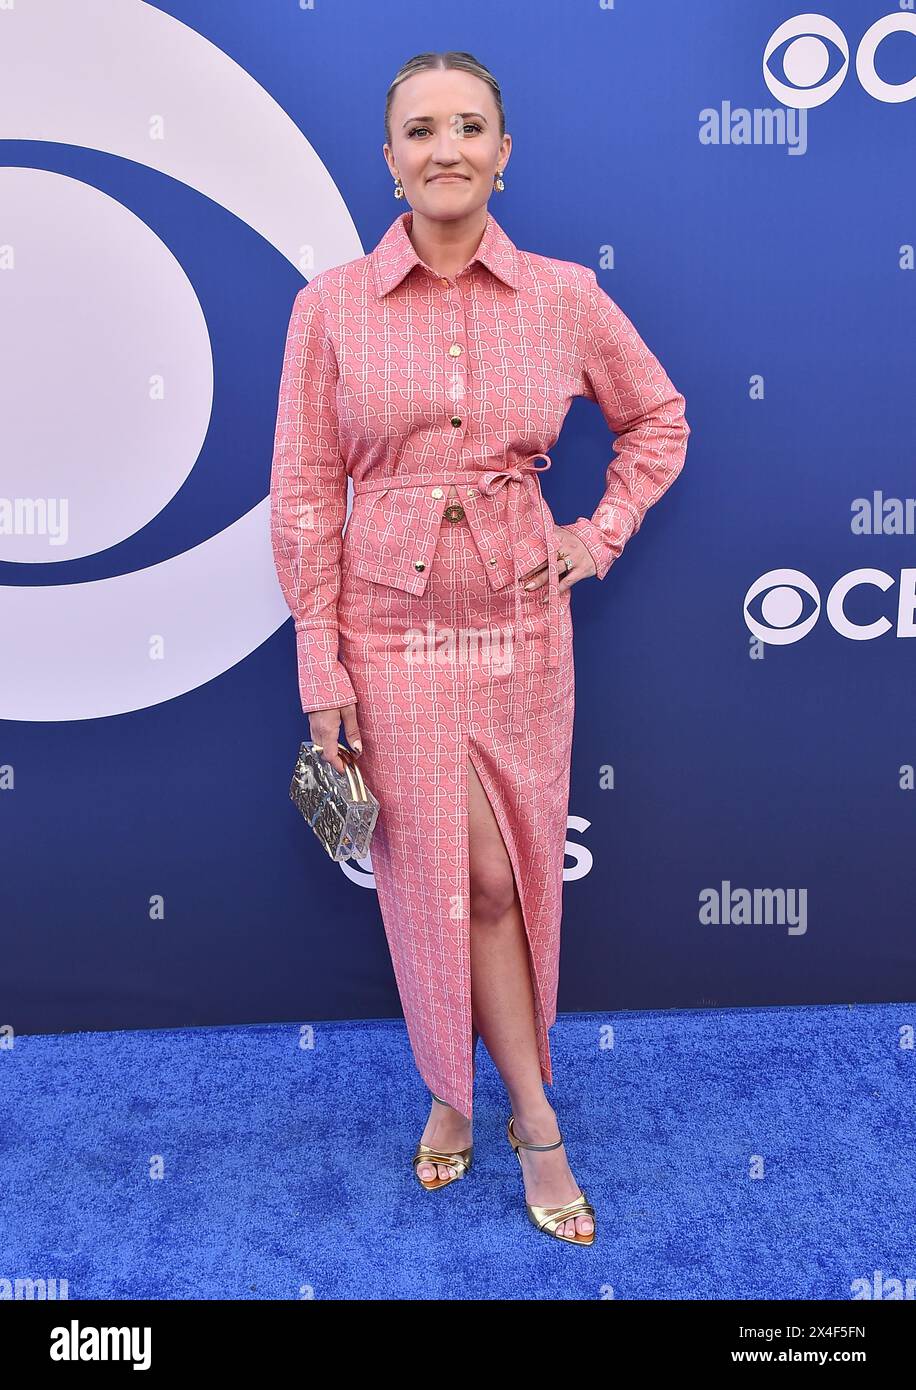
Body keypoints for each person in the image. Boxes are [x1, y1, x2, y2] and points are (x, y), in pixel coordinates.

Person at [270, 50, 690, 1246]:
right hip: (384, 633)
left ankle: (469, 1095)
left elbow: (657, 418)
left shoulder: (561, 296)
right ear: (387, 157)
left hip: (517, 626)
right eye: (419, 129)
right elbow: (302, 492)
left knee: (505, 875)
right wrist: (320, 668)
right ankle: (515, 1110)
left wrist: (598, 535)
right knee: (438, 880)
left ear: (504, 152)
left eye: (469, 127)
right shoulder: (329, 307)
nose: (443, 147)